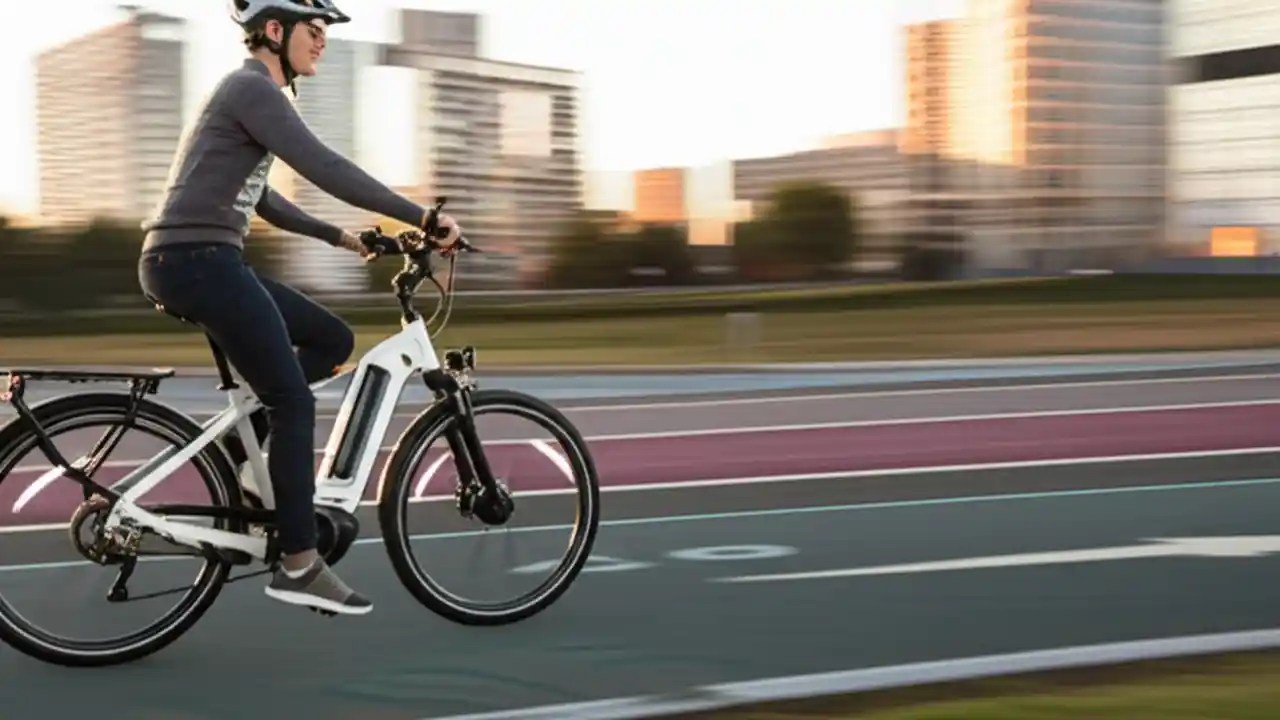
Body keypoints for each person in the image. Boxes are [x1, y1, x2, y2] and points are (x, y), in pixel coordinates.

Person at [138, 0, 460, 616]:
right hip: (197, 261)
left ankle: (248, 459)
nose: (323, 43)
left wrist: (344, 237)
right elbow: (324, 165)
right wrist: (423, 216)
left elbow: (263, 202)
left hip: (199, 259)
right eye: (315, 31)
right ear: (276, 32)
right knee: (293, 399)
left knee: (332, 341)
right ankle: (299, 562)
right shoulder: (251, 88)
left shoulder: (251, 97)